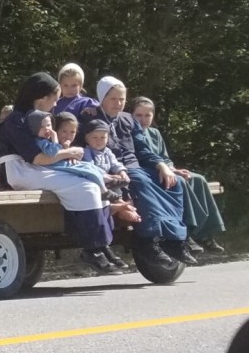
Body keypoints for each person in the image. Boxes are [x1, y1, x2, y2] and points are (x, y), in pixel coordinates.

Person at [0, 72, 120, 275]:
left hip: (37, 168)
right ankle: (91, 250)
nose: (55, 105)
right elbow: (36, 157)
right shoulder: (16, 121)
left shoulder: (35, 118)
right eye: (54, 99)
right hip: (21, 171)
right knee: (86, 187)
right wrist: (69, 152)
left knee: (92, 181)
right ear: (41, 98)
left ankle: (100, 245)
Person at [80, 76, 195, 265]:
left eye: (122, 99)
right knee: (140, 182)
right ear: (101, 98)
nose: (118, 103)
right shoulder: (90, 116)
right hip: (114, 168)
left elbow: (142, 148)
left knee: (175, 181)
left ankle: (176, 239)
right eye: (113, 99)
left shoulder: (128, 119)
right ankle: (150, 242)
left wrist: (162, 166)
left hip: (136, 167)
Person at [130, 96, 226, 253]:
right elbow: (141, 159)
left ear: (153, 116)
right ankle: (190, 231)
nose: (143, 119)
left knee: (198, 179)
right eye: (139, 115)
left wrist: (173, 168)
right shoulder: (131, 134)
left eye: (148, 115)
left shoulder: (154, 133)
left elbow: (165, 157)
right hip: (151, 173)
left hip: (167, 170)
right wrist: (170, 172)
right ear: (132, 116)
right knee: (179, 181)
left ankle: (206, 234)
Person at [26, 110, 107, 192]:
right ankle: (104, 191)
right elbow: (53, 153)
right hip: (54, 168)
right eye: (64, 131)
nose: (68, 136)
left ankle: (107, 180)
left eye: (72, 132)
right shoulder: (43, 141)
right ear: (56, 130)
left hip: (62, 165)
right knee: (86, 170)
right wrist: (55, 139)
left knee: (90, 166)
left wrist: (68, 153)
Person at [82, 119, 130, 202]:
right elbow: (90, 167)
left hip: (108, 180)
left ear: (107, 139)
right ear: (87, 139)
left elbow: (115, 163)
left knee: (120, 186)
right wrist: (110, 177)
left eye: (103, 137)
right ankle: (122, 205)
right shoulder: (86, 151)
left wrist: (121, 172)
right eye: (94, 137)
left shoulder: (107, 151)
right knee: (110, 187)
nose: (99, 141)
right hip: (95, 179)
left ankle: (121, 203)